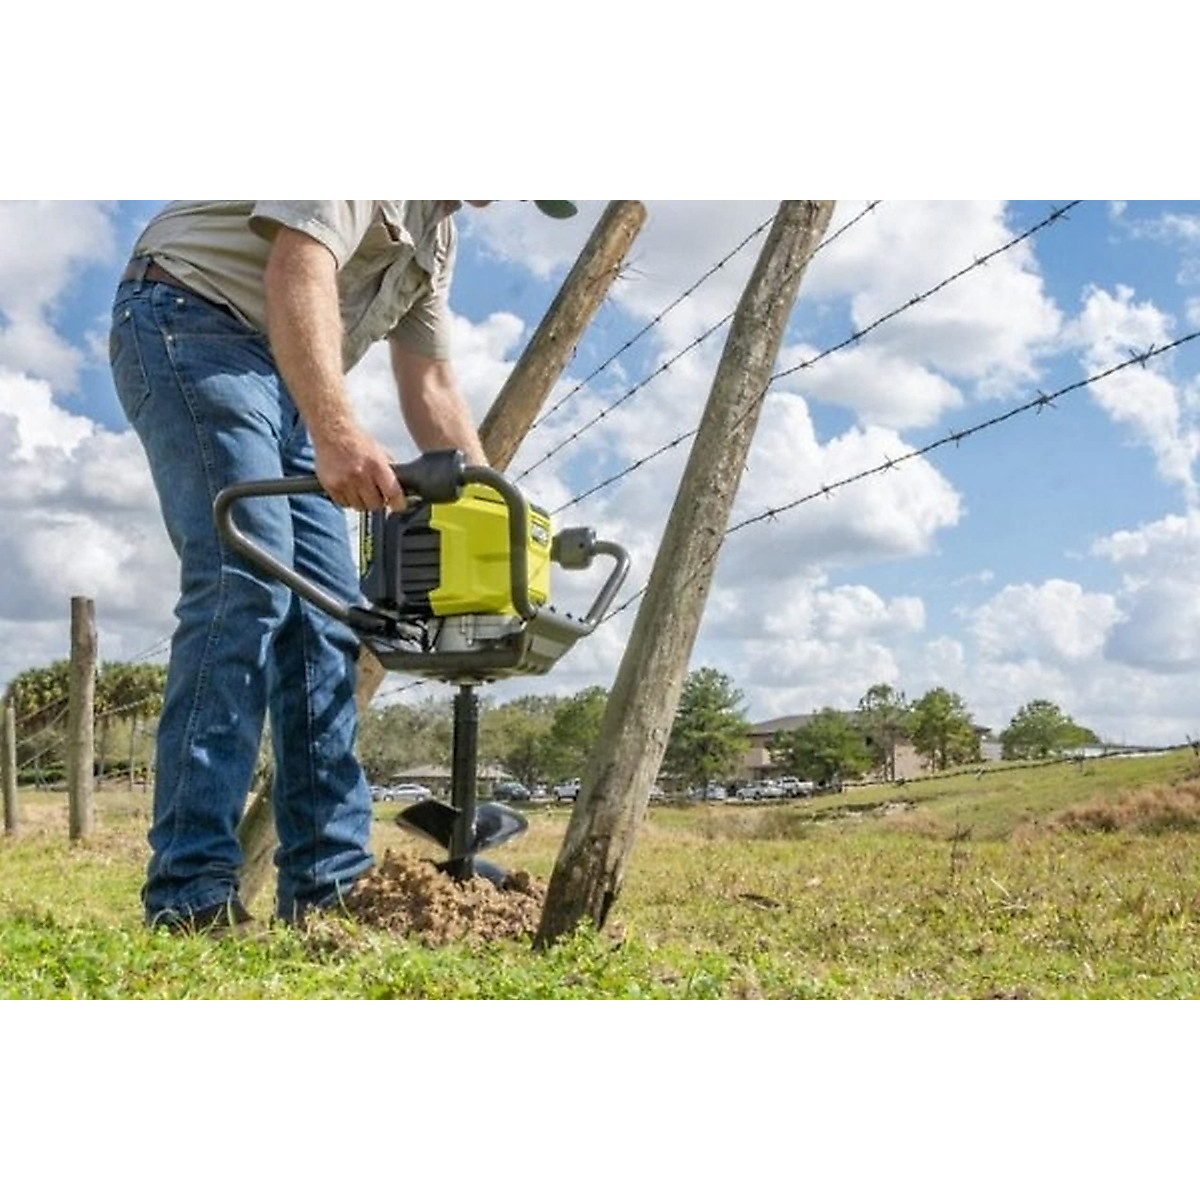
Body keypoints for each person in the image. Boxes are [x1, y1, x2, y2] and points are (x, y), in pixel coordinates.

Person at [108, 200, 577, 932]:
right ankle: (189, 892)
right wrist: (336, 431)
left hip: (283, 369)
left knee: (330, 618)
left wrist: (499, 520)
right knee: (245, 582)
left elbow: (430, 384)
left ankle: (326, 888)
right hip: (191, 318)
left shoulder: (436, 237)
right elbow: (299, 263)